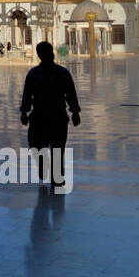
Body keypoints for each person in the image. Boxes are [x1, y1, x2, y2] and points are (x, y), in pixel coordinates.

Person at [20, 41, 82, 189]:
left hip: (54, 116)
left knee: (56, 149)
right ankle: (45, 168)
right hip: (45, 116)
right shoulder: (35, 74)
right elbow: (27, 95)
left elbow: (70, 94)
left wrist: (75, 112)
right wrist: (24, 111)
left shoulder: (60, 73)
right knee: (38, 146)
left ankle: (56, 177)